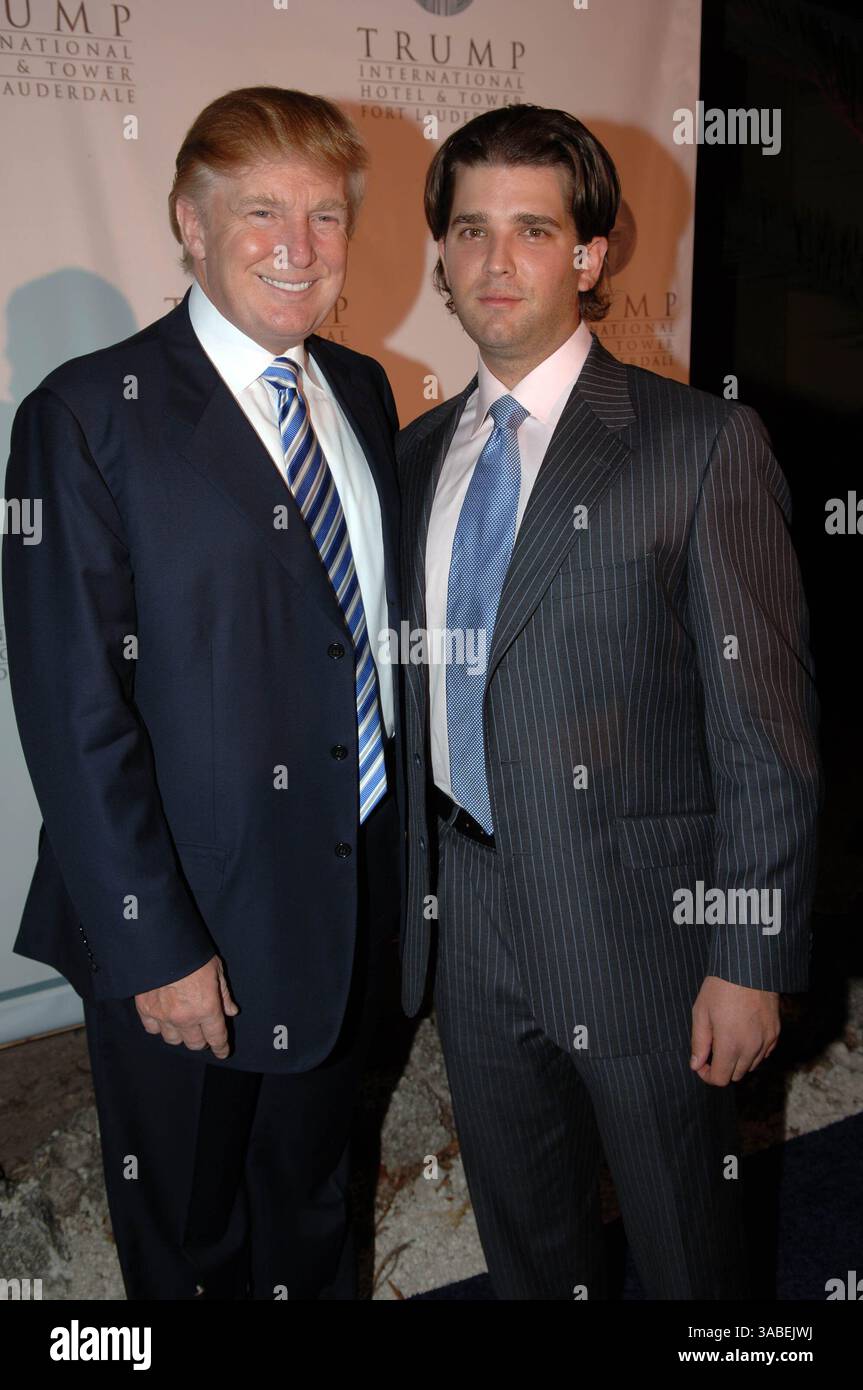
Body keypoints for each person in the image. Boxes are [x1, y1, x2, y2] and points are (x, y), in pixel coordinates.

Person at [396, 104, 822, 1300]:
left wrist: (748, 954)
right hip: (468, 927)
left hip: (649, 940)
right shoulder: (414, 456)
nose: (494, 260)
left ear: (588, 258)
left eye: (531, 230)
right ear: (440, 254)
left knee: (691, 1257)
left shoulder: (698, 444)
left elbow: (765, 734)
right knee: (528, 1256)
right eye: (469, 230)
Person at [3, 86, 403, 1301]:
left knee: (320, 1204)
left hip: (350, 902)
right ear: (189, 218)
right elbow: (75, 713)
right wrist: (153, 944)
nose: (299, 249)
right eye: (262, 212)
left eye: (326, 217)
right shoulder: (82, 417)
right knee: (191, 1237)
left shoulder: (365, 389)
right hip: (187, 928)